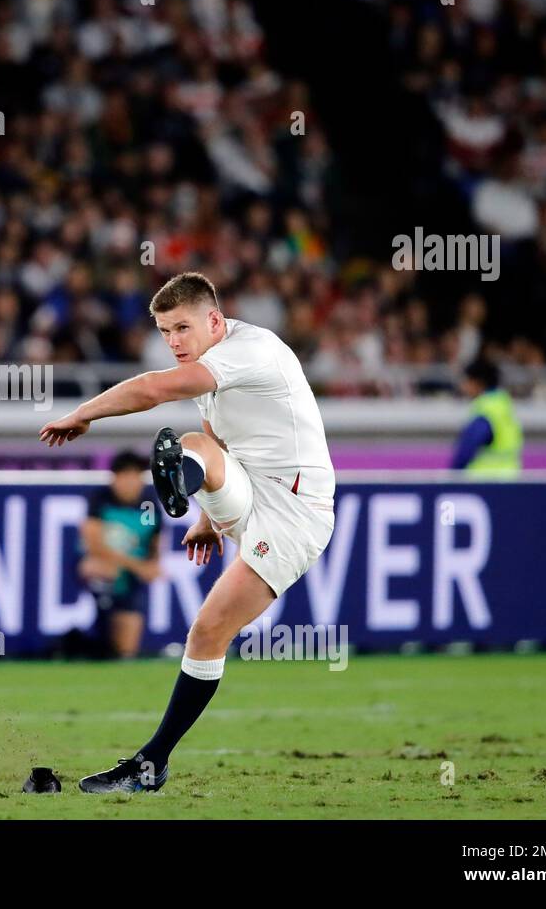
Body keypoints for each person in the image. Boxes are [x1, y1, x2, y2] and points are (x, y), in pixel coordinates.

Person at [40, 271, 336, 792]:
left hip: (295, 512)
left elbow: (154, 389)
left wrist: (85, 414)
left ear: (215, 320)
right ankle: (184, 488)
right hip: (250, 489)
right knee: (195, 441)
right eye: (164, 332)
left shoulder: (254, 351)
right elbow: (223, 439)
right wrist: (208, 515)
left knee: (207, 632)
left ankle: (151, 764)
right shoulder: (213, 361)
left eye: (181, 328)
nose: (173, 341)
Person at [79, 450, 161, 658]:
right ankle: (102, 624)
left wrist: (152, 565)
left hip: (131, 576)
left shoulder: (148, 504)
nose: (131, 483)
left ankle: (113, 646)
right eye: (125, 476)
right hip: (107, 567)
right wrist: (138, 566)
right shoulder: (101, 499)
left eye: (135, 476)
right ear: (115, 478)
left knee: (126, 650)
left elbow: (155, 541)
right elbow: (94, 545)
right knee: (101, 569)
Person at [452, 357, 522, 477]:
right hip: (511, 479)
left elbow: (466, 450)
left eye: (467, 381)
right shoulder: (504, 405)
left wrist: (452, 476)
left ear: (478, 383)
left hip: (485, 483)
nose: (463, 387)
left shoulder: (485, 411)